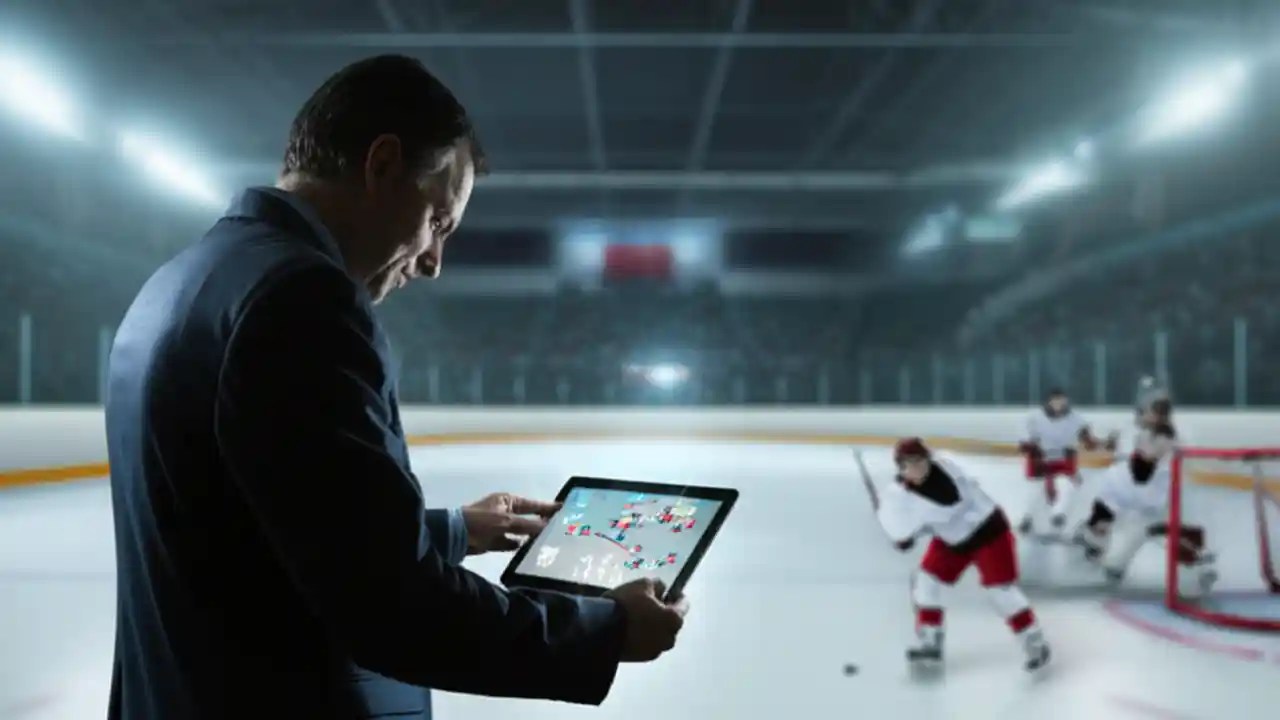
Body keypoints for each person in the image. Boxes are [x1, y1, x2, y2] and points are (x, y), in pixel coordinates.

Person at [105, 54, 688, 720]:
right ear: (381, 166)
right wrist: (603, 631)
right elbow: (387, 605)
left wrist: (453, 532)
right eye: (438, 222)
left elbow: (262, 531)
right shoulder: (303, 299)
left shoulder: (186, 277)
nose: (435, 262)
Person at [877, 438, 1050, 672]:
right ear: (900, 468)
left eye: (920, 461)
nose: (916, 468)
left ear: (929, 459)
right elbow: (901, 528)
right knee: (926, 581)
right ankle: (930, 640)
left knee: (1000, 591)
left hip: (989, 532)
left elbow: (948, 507)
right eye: (908, 464)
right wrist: (900, 533)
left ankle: (1034, 640)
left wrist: (907, 533)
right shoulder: (898, 496)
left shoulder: (950, 466)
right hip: (953, 540)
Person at [1073, 397, 1217, 588]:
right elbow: (1116, 451)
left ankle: (1200, 564)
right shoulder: (1143, 433)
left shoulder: (1165, 437)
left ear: (1157, 415)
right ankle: (1110, 559)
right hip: (1147, 497)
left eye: (1149, 412)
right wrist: (1096, 442)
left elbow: (1143, 470)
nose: (1144, 415)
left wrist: (1135, 455)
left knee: (1159, 529)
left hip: (1159, 497)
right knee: (1139, 532)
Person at [1017, 388, 1117, 536]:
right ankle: (1029, 518)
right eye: (1055, 401)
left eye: (1061, 401)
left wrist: (1105, 444)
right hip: (1040, 461)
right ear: (1049, 402)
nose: (1059, 405)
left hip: (1063, 460)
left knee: (1067, 484)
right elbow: (1025, 442)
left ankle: (1059, 516)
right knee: (1037, 489)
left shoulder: (1075, 419)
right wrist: (1032, 448)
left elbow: (1088, 442)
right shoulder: (1035, 418)